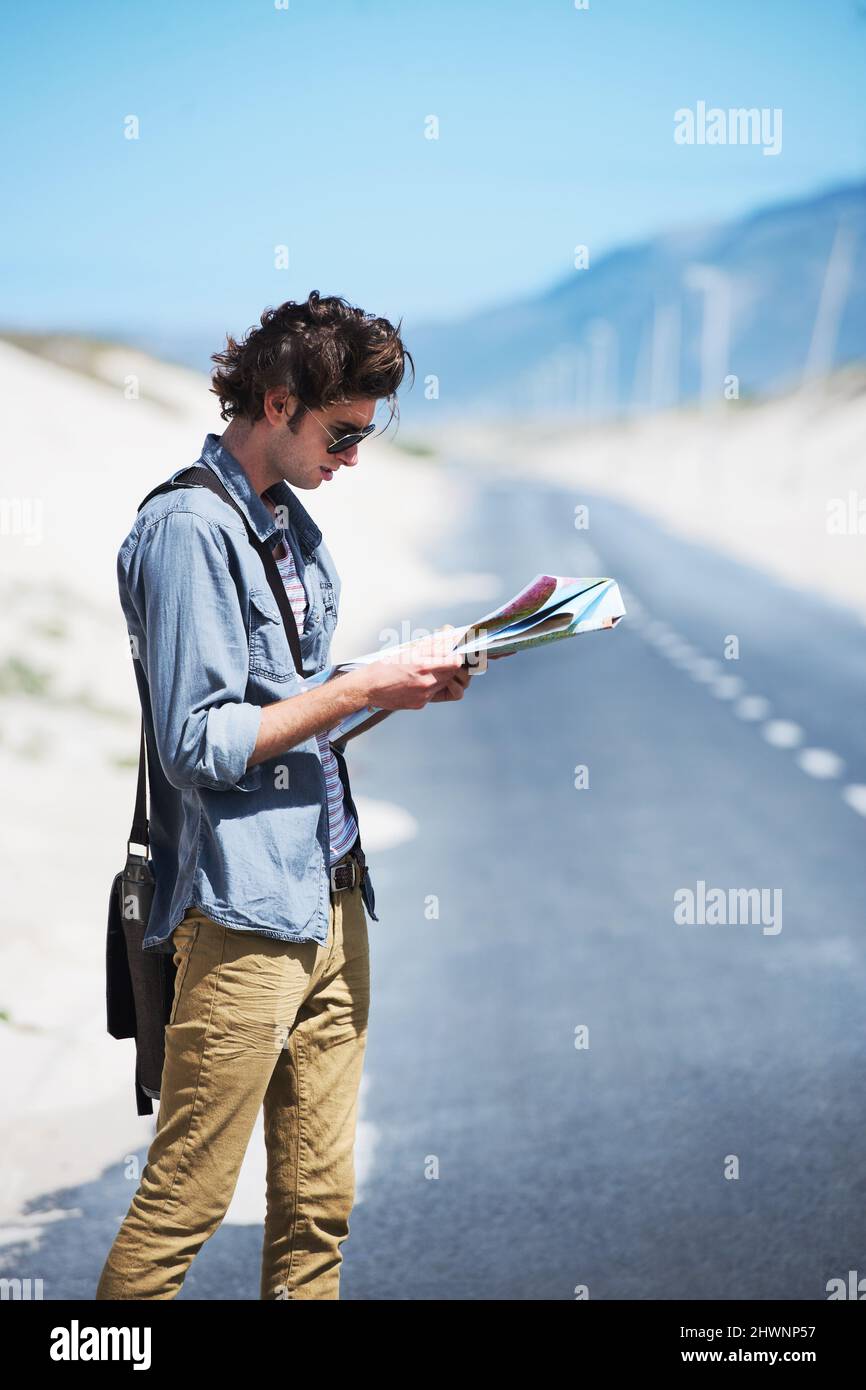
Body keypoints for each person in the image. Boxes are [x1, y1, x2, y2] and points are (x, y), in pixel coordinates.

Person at [96, 293, 476, 1300]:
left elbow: (296, 718)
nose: (352, 459)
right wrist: (359, 685)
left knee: (317, 1207)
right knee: (184, 1205)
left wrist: (399, 692)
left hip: (333, 895)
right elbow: (196, 742)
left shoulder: (286, 524)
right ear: (276, 402)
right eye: (341, 433)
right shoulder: (185, 529)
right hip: (241, 914)